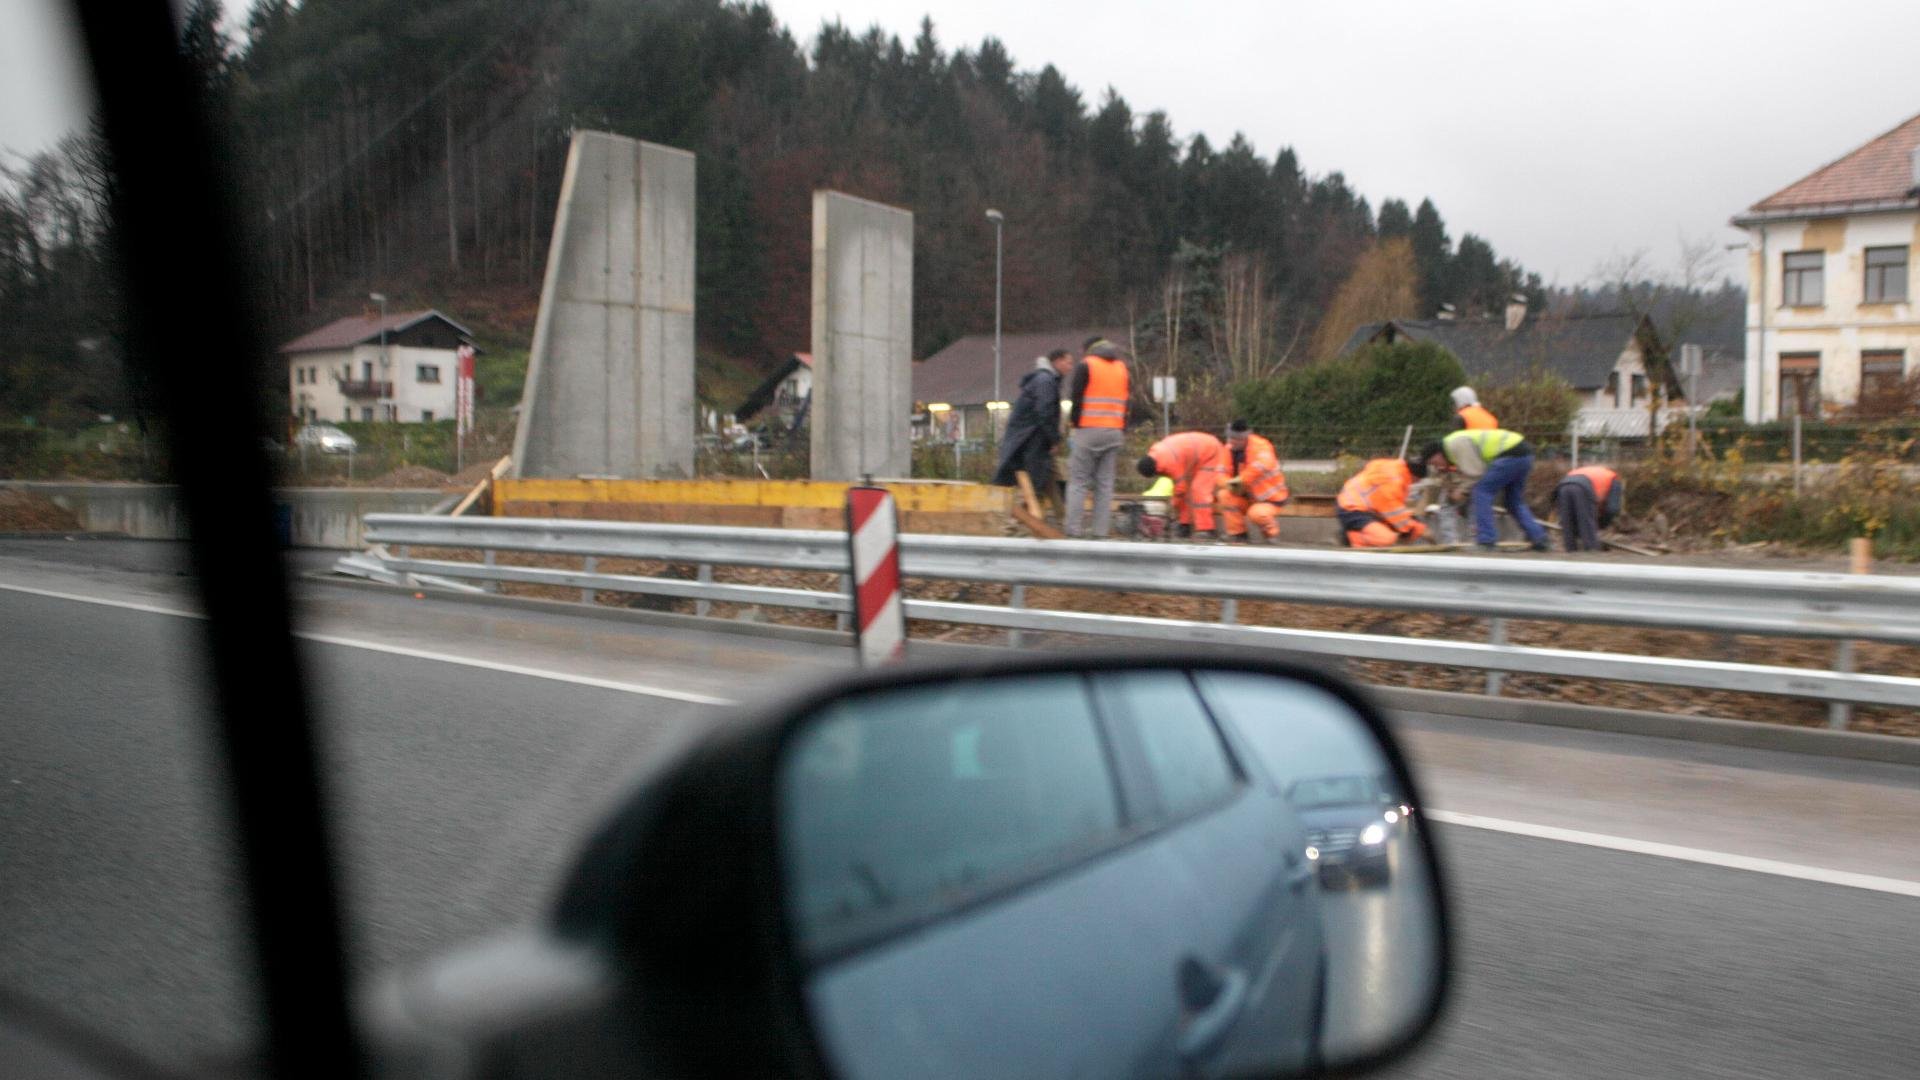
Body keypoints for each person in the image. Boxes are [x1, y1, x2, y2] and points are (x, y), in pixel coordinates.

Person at [1424, 428, 1551, 551]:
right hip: (1524, 454)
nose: (1437, 467)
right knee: (1513, 501)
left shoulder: (1455, 445)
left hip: (1510, 454)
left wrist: (1461, 491)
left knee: (1481, 492)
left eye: (1434, 462)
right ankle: (1539, 538)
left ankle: (1486, 540)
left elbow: (1476, 474)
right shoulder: (1453, 445)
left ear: (1438, 453)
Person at [1063, 337, 1131, 537]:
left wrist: (1074, 425)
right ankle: (1100, 532)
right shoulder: (1122, 369)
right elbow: (1127, 403)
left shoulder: (1087, 365)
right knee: (1105, 484)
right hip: (1114, 431)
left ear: (1089, 350)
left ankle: (1073, 530)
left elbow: (1077, 398)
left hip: (1089, 430)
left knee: (1078, 481)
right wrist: (1121, 428)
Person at [990, 349, 1073, 497]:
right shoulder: (1045, 381)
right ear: (1057, 361)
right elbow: (1044, 412)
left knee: (1032, 474)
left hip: (1027, 435)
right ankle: (1028, 510)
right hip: (1031, 436)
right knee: (1035, 475)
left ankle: (1033, 509)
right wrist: (1054, 439)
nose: (1070, 367)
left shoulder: (1045, 379)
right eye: (1068, 362)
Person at [1137, 431, 1228, 540]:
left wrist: (1171, 505)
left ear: (1155, 470)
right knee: (1186, 492)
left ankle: (1206, 529)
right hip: (1197, 454)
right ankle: (1185, 524)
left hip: (1211, 453)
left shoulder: (1169, 462)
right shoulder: (1155, 453)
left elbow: (1180, 488)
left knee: (1198, 490)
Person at [1217, 419, 1290, 543]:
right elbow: (1219, 472)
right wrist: (1227, 484)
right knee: (1224, 495)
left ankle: (1271, 536)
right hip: (1247, 497)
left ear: (1244, 438)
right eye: (1229, 438)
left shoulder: (1261, 446)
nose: (1230, 442)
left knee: (1257, 513)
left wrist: (1240, 480)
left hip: (1270, 499)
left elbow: (1261, 466)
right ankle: (1238, 535)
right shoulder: (1228, 449)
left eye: (1234, 439)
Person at [1335, 456, 1430, 547]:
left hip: (1363, 507)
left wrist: (1413, 524)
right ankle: (1349, 538)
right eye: (1418, 481)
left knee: (1394, 532)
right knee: (1387, 539)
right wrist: (1419, 529)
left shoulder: (1396, 470)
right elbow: (1395, 514)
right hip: (1352, 508)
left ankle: (1355, 534)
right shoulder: (1394, 481)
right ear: (1416, 477)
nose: (1417, 483)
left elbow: (1394, 508)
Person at [1556, 464, 1624, 553]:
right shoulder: (1614, 480)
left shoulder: (1596, 474)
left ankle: (1570, 550)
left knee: (1568, 521)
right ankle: (1591, 550)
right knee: (1586, 520)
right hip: (1583, 487)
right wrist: (1601, 524)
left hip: (1563, 486)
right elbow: (1612, 509)